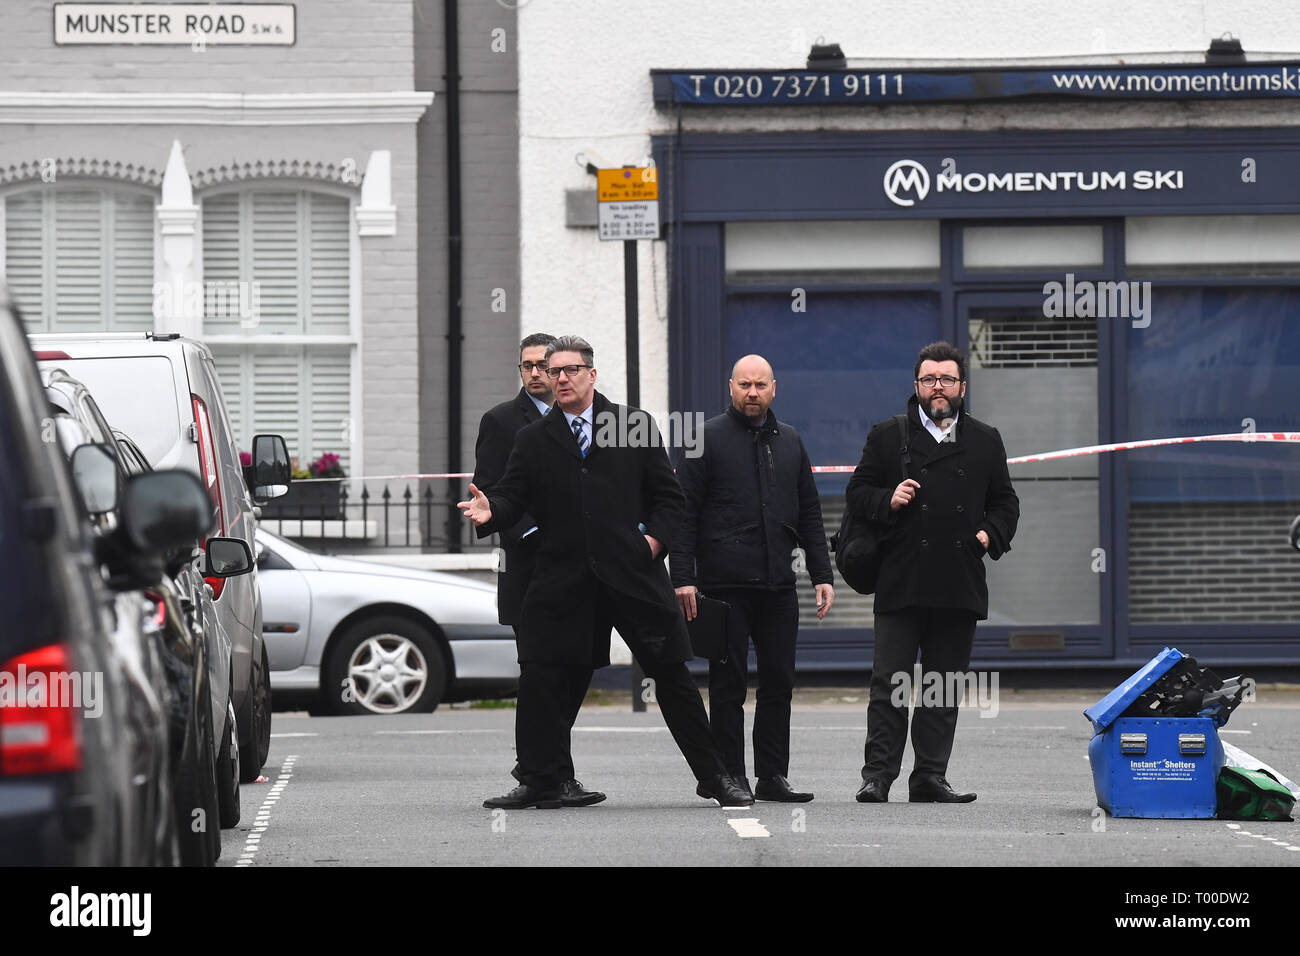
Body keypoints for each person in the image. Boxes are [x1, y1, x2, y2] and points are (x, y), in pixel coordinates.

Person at [458, 335, 752, 809]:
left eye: (571, 370)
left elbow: (668, 498)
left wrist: (652, 543)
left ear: (591, 375)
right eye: (554, 372)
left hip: (632, 575)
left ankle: (715, 777)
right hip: (563, 579)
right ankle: (539, 779)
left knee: (671, 677)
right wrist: (493, 510)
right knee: (543, 674)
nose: (561, 379)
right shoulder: (534, 438)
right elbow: (514, 495)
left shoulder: (633, 425)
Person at [847, 341, 1019, 804]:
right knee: (890, 685)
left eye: (946, 378)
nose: (937, 386)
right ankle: (877, 776)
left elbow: (1005, 503)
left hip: (958, 578)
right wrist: (888, 499)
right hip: (901, 577)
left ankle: (929, 776)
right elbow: (857, 492)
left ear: (962, 386)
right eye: (928, 379)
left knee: (943, 685)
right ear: (917, 386)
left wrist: (987, 536)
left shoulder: (985, 438)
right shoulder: (888, 435)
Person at [672, 354, 834, 803]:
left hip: (779, 586)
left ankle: (772, 776)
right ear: (731, 387)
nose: (752, 392)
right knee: (728, 685)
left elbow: (810, 514)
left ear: (774, 389)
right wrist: (682, 577)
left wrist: (822, 574)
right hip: (724, 588)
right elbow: (682, 514)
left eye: (760, 385)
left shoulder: (791, 441)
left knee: (779, 681)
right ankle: (731, 776)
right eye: (744, 384)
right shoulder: (707, 438)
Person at [472, 332, 605, 807]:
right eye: (525, 365)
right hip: (532, 573)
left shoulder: (592, 420)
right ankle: (547, 778)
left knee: (579, 668)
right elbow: (492, 492)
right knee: (541, 676)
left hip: (586, 575)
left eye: (542, 366)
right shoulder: (503, 422)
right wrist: (539, 538)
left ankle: (538, 768)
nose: (535, 373)